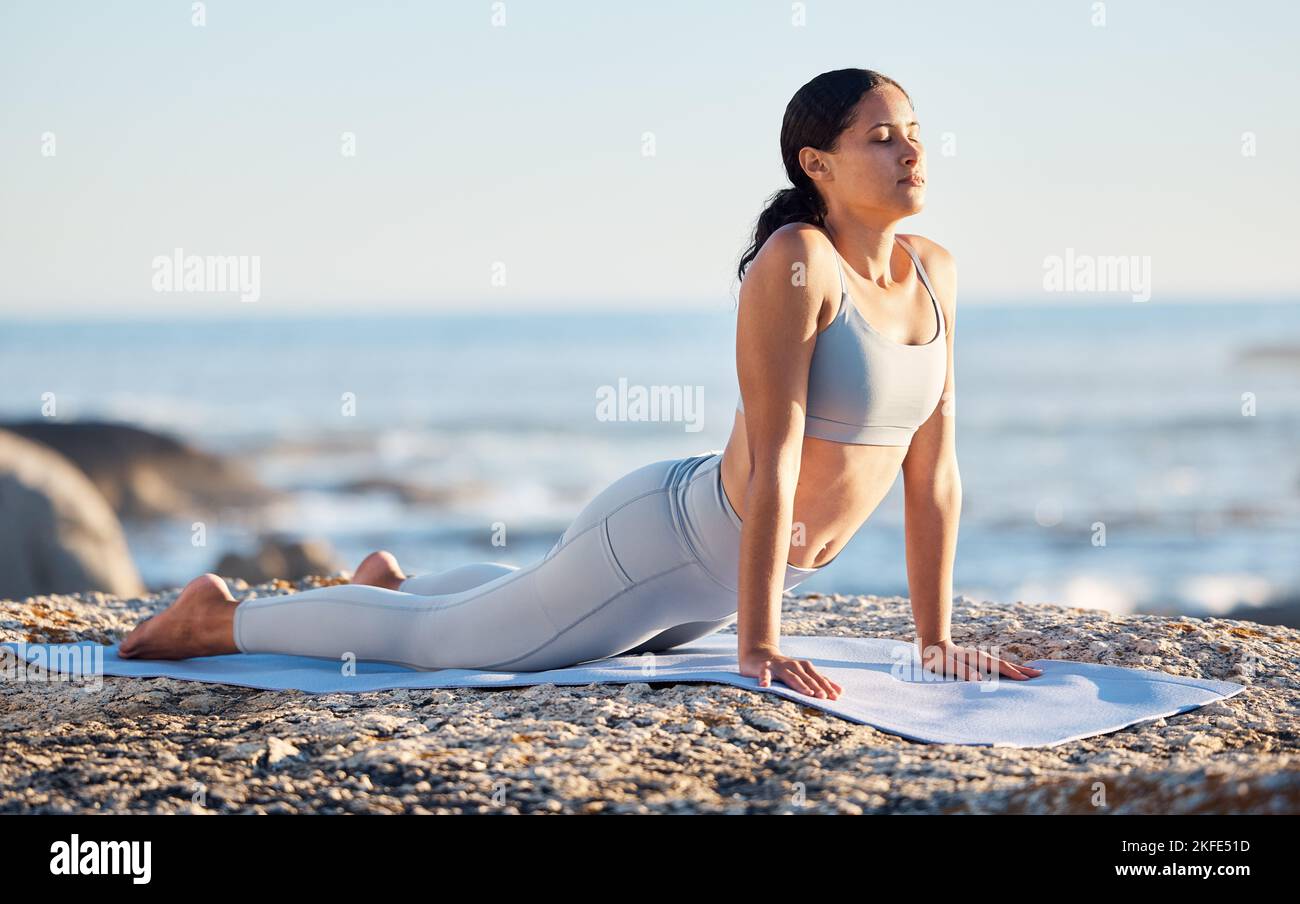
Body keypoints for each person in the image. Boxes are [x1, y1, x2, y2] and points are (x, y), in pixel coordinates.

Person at [119, 68, 1042, 697]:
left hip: (717, 577)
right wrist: (758, 648)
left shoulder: (934, 271)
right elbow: (779, 457)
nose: (912, 151)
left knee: (522, 604)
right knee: (440, 651)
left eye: (915, 133)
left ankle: (392, 583)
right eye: (883, 138)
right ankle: (220, 618)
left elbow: (936, 473)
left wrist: (936, 643)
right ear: (818, 164)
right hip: (673, 545)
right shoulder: (797, 261)